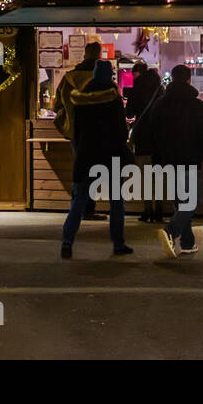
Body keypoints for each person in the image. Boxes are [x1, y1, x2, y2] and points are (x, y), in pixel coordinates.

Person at [60, 60, 133, 258]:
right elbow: (120, 131)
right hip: (111, 155)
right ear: (110, 75)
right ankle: (118, 243)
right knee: (116, 201)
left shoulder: (81, 98)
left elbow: (77, 130)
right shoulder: (113, 98)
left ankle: (67, 242)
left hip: (87, 154)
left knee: (80, 199)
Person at [151, 65, 203, 259]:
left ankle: (188, 243)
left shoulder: (160, 104)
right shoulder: (196, 105)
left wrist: (157, 161)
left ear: (172, 79)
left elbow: (153, 136)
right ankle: (170, 231)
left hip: (169, 162)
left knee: (181, 203)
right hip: (190, 161)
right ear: (189, 80)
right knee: (191, 203)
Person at [53, 42, 103, 219]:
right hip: (97, 131)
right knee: (93, 170)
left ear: (84, 54)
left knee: (79, 168)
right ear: (99, 55)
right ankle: (89, 208)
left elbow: (56, 105)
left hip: (76, 130)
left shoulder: (69, 77)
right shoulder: (102, 78)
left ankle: (76, 207)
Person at [125, 61, 165, 223]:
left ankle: (148, 209)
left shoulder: (136, 90)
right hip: (159, 136)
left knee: (146, 175)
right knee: (160, 175)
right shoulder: (160, 89)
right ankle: (159, 210)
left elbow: (129, 113)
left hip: (142, 137)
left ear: (137, 74)